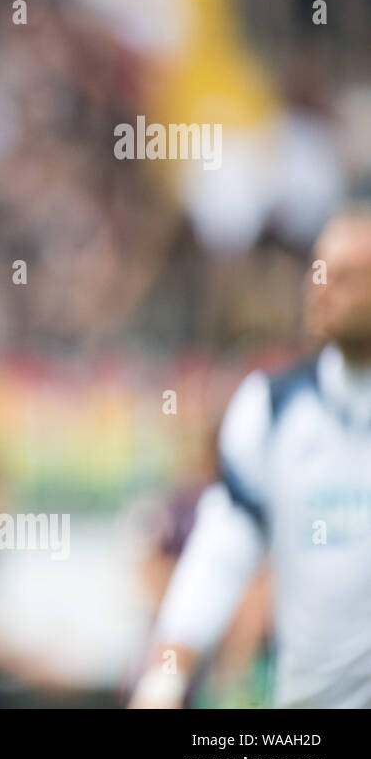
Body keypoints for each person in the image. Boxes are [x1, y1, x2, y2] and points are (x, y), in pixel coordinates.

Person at [130, 206, 371, 707]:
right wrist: (165, 677)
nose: (319, 288)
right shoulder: (272, 408)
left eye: (345, 276)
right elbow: (222, 550)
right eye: (317, 269)